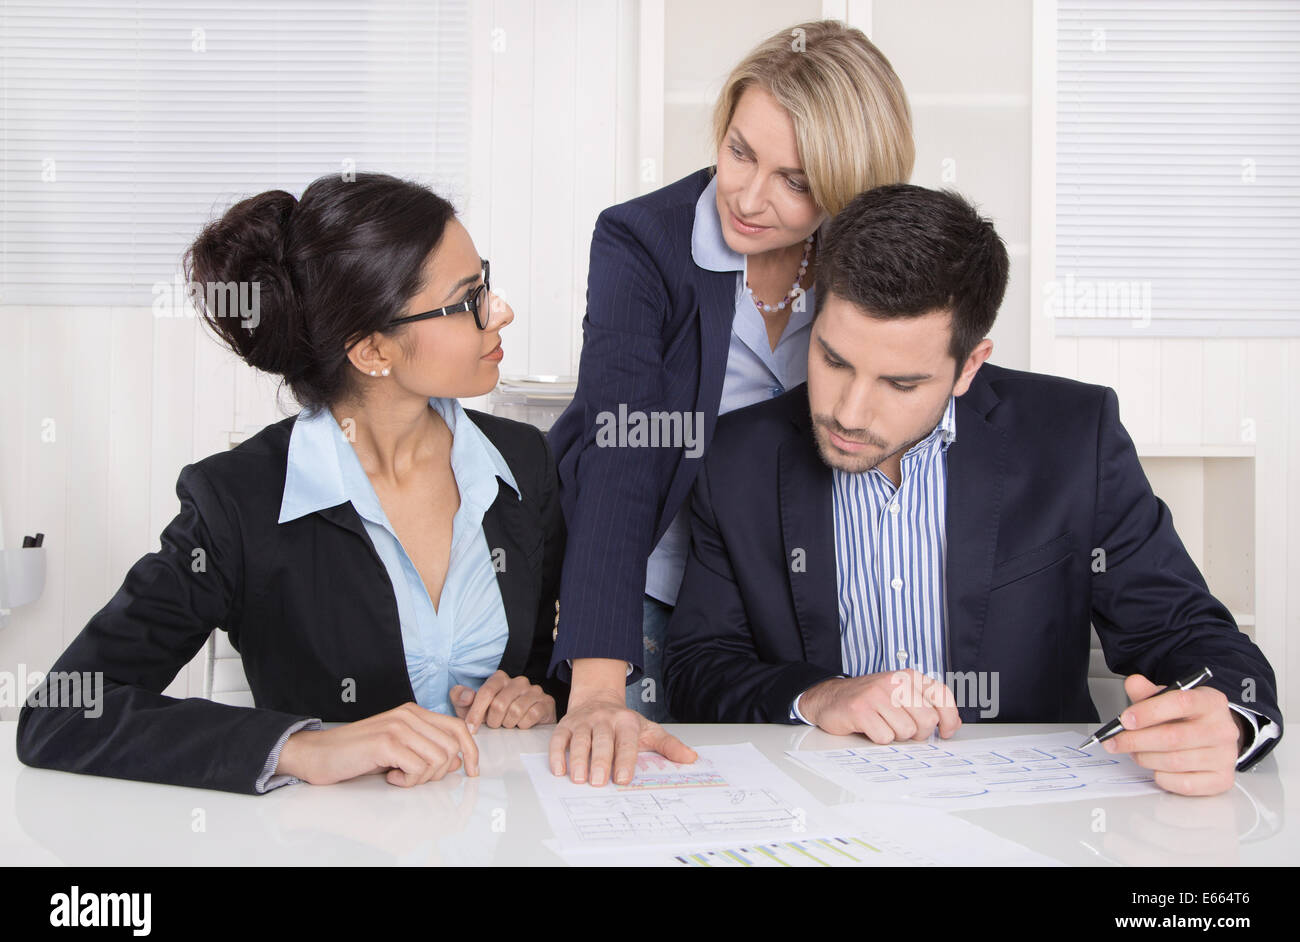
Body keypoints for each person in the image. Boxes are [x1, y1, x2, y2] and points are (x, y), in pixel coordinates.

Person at [663, 183, 1282, 796]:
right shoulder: (737, 456)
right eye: (834, 360)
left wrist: (1229, 718)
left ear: (969, 366)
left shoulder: (1072, 439)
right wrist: (820, 695)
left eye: (900, 384)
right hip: (825, 818)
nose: (849, 413)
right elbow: (699, 667)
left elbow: (1186, 631)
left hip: (1030, 820)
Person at [17, 172, 567, 795]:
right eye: (470, 299)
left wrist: (539, 700)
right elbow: (60, 714)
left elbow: (553, 667)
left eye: (486, 283)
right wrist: (303, 747)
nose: (501, 310)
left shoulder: (523, 462)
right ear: (371, 351)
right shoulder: (237, 502)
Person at [546, 19, 915, 786]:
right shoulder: (643, 243)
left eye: (797, 180)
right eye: (741, 151)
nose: (747, 197)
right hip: (647, 585)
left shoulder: (868, 262)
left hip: (790, 598)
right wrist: (596, 693)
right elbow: (621, 455)